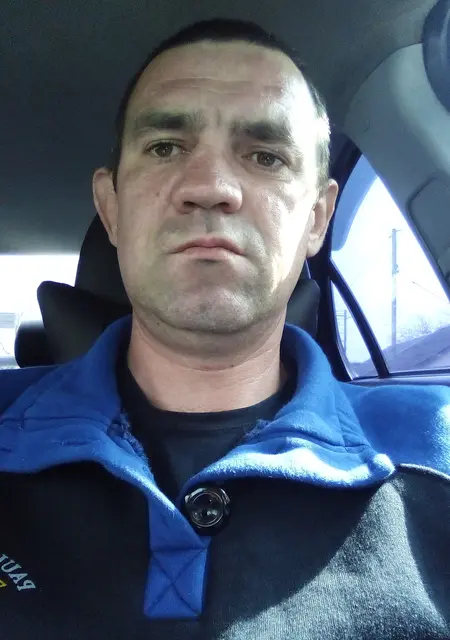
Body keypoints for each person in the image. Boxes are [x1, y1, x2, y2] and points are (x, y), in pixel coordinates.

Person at [0, 18, 449, 640]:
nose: (210, 187)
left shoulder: (437, 448)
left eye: (265, 156)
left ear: (317, 220)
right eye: (165, 147)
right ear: (111, 208)